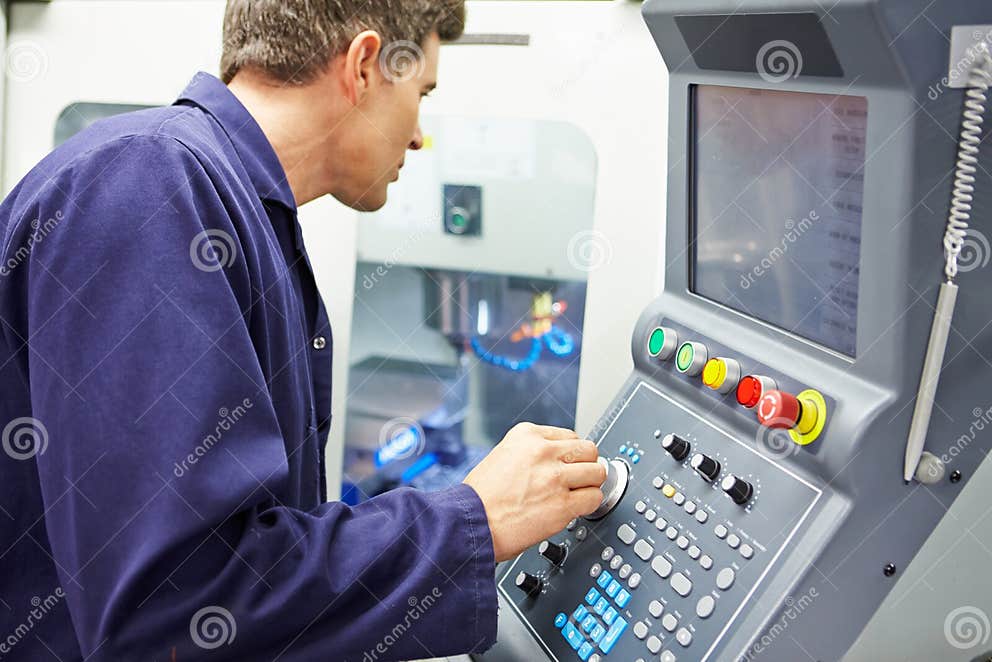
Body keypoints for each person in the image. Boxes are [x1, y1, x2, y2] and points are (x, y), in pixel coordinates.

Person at [0, 1, 606, 660]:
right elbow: (177, 613)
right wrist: (475, 519)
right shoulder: (148, 183)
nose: (417, 136)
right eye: (422, 93)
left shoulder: (244, 212)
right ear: (364, 66)